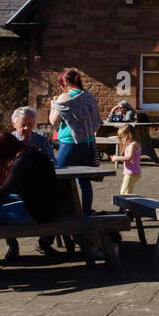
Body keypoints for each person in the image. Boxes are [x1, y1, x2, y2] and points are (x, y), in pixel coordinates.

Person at [7, 106, 58, 260]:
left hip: (38, 187)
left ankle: (45, 242)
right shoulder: (8, 141)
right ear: (13, 124)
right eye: (23, 124)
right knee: (4, 204)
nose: (26, 128)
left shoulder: (40, 140)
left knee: (57, 200)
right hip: (15, 186)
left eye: (30, 124)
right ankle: (12, 245)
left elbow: (53, 162)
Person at [49, 68, 102, 213]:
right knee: (84, 181)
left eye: (61, 84)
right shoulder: (89, 97)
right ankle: (85, 211)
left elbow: (52, 121)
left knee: (58, 177)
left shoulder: (65, 97)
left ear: (65, 82)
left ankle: (61, 211)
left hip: (69, 143)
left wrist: (52, 106)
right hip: (88, 143)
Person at [111, 125, 142, 195]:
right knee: (126, 191)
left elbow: (129, 158)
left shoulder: (133, 145)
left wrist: (117, 158)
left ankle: (125, 205)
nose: (122, 140)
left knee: (124, 193)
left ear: (129, 135)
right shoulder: (134, 144)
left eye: (123, 138)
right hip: (131, 172)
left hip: (131, 173)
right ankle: (127, 204)